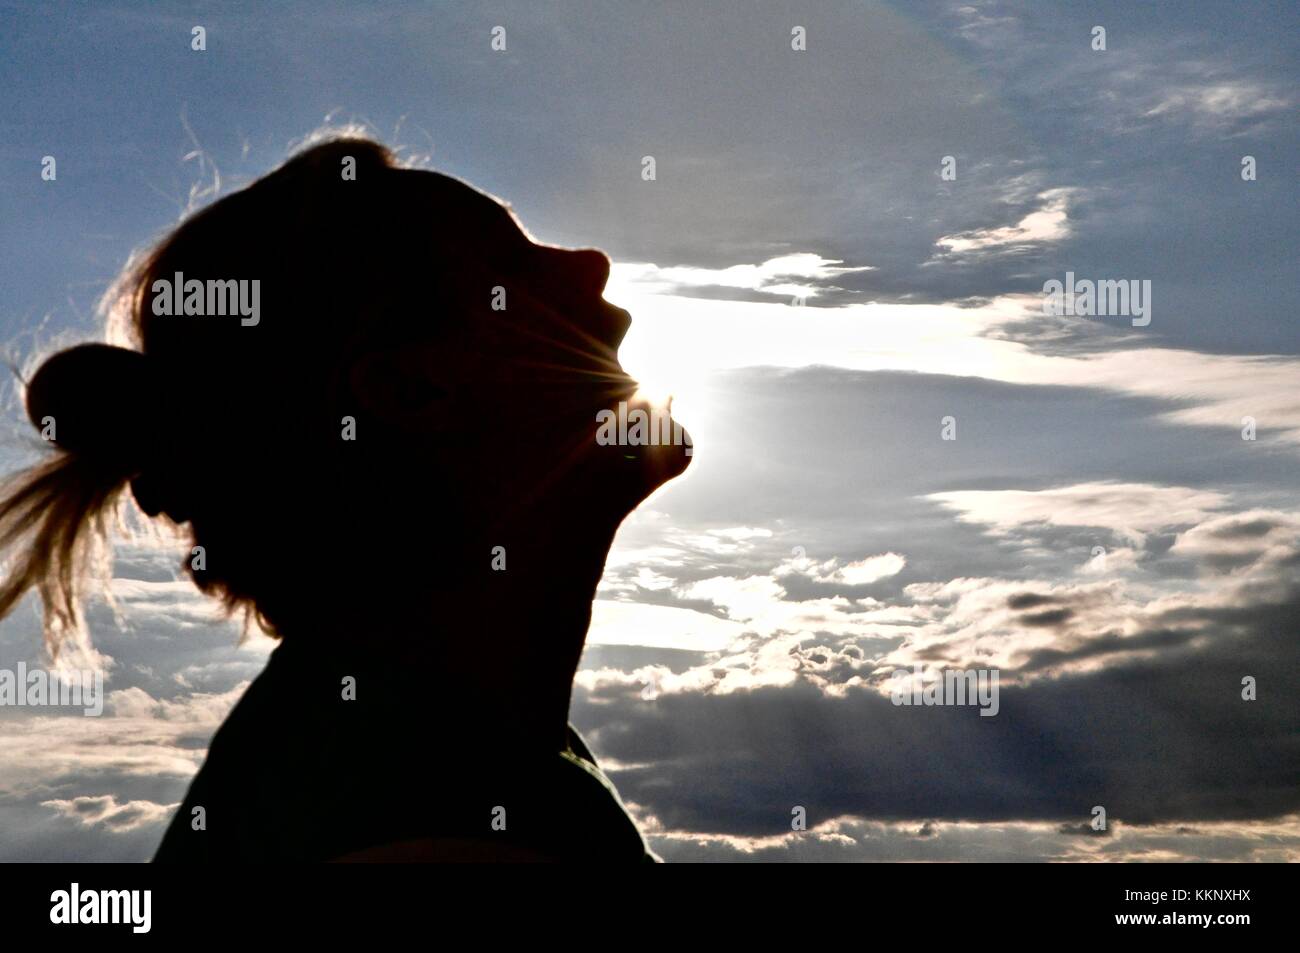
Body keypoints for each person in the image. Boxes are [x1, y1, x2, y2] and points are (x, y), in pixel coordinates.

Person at [0, 136, 691, 861]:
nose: (591, 265)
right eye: (511, 264)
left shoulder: (407, 744)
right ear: (408, 390)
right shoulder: (420, 804)